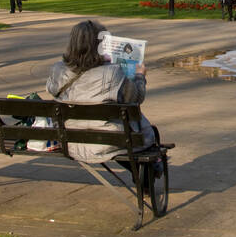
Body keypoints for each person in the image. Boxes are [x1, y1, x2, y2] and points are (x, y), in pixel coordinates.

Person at [46, 19, 157, 163]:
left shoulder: (58, 70)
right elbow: (136, 98)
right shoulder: (113, 72)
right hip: (110, 143)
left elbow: (50, 89)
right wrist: (140, 76)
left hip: (70, 141)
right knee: (141, 132)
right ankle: (148, 175)